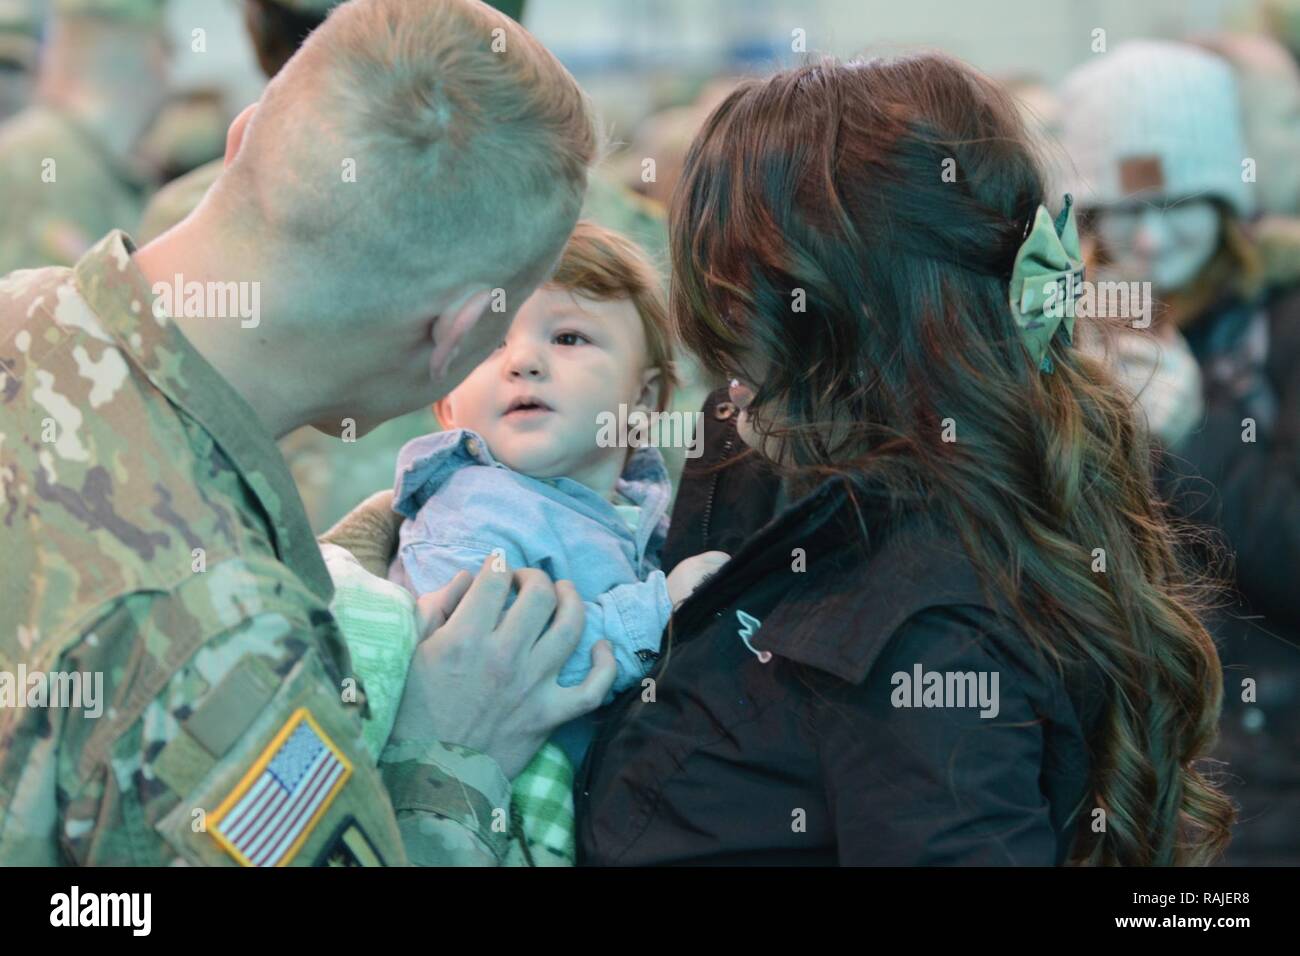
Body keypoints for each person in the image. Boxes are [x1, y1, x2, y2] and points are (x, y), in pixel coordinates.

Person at [575, 53, 1233, 865]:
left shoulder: (930, 637)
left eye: (746, 298)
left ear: (854, 315)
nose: (722, 356)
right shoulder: (767, 450)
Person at [0, 0, 609, 866]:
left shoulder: (21, 308)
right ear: (456, 332)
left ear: (245, 135)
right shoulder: (222, 638)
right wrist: (440, 759)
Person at [1061, 39, 1300, 866]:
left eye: (1178, 204)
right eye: (1125, 210)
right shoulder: (1062, 343)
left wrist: (1193, 434)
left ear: (1226, 201)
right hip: (1103, 761)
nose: (1154, 240)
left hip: (1260, 769)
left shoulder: (1280, 328)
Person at [0, 0, 169, 274]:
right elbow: (46, 312)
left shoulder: (76, 158)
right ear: (146, 54)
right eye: (168, 48)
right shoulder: (42, 160)